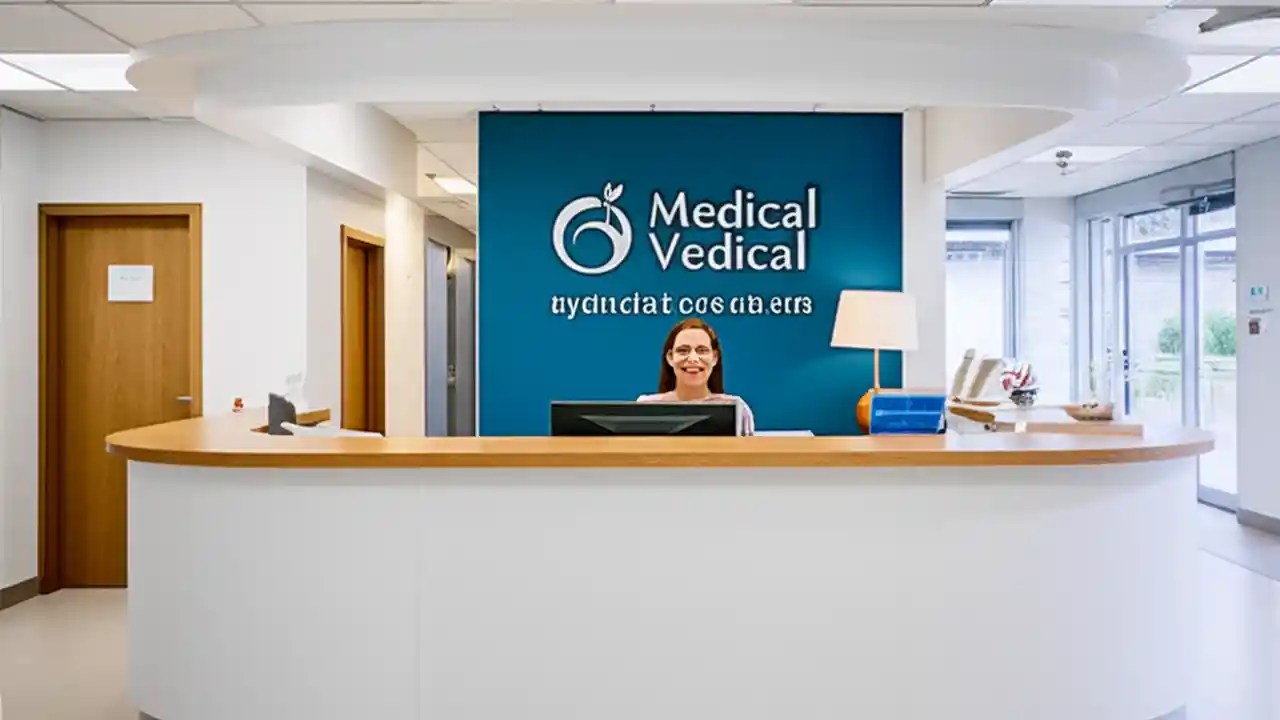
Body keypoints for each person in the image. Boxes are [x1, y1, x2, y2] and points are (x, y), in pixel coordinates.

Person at [637, 317, 756, 436]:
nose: (693, 359)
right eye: (683, 351)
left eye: (702, 351)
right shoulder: (645, 407)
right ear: (670, 357)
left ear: (715, 357)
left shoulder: (737, 409)